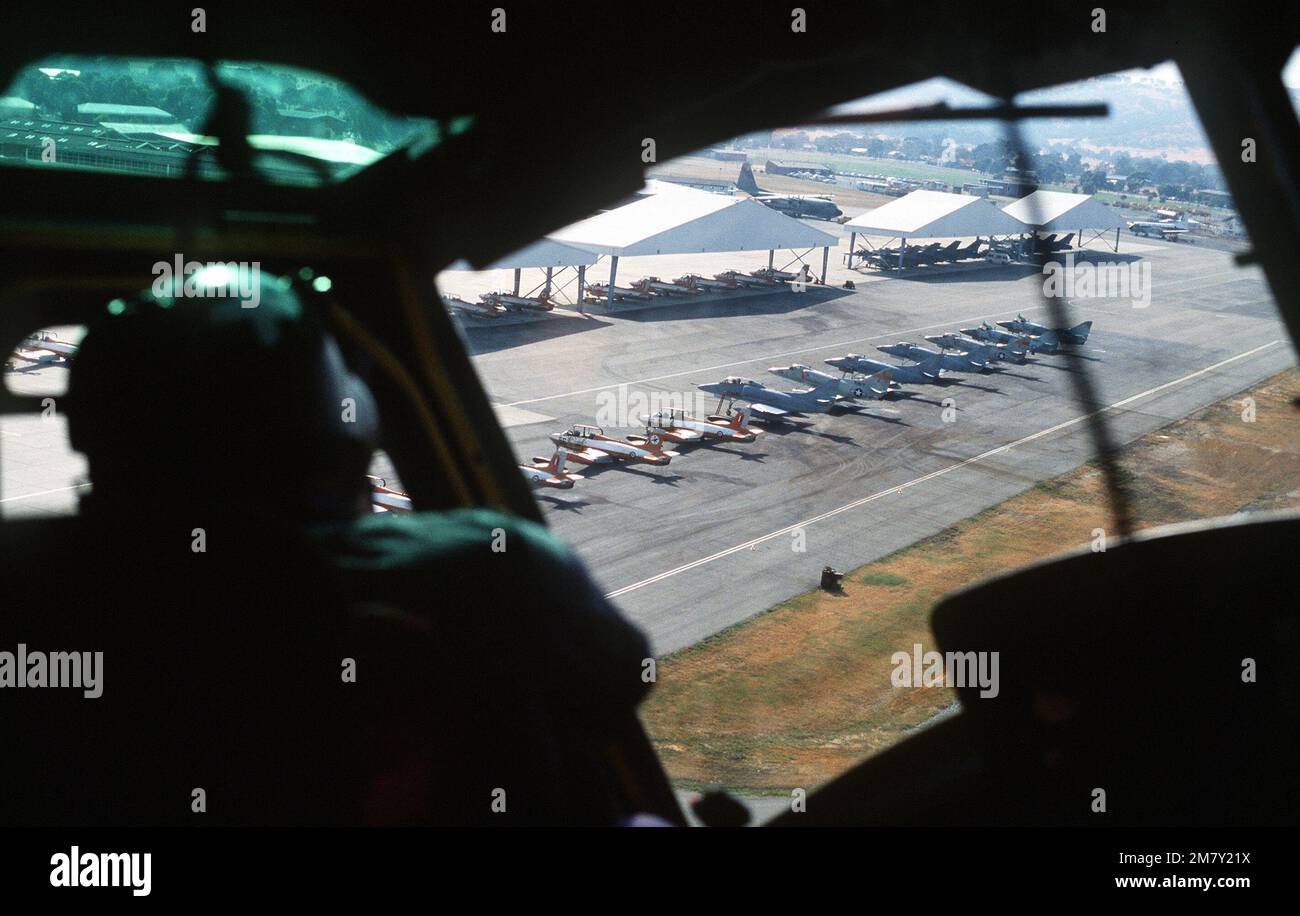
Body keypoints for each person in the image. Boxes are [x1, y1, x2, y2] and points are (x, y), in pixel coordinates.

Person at [0, 273, 651, 825]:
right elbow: (612, 688)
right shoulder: (492, 566)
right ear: (337, 421)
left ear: (98, 430)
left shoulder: (34, 599)